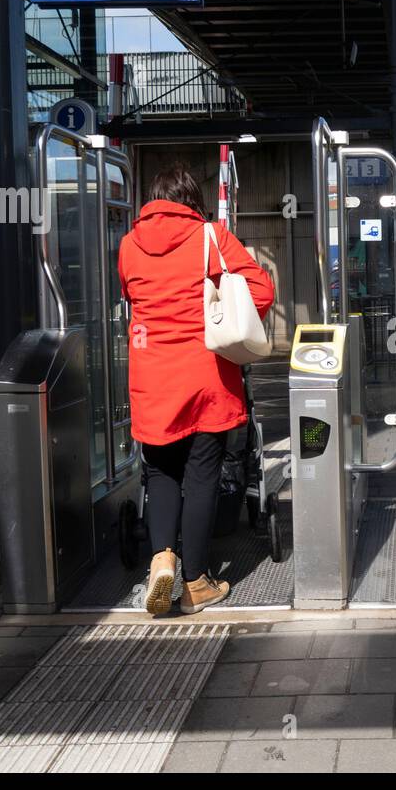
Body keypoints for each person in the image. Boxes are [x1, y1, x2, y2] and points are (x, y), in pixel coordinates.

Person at [118, 164, 274, 615]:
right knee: (202, 475)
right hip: (203, 376)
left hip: (151, 376)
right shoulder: (210, 237)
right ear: (190, 198)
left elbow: (131, 292)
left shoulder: (129, 245)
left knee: (161, 471)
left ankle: (163, 556)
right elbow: (261, 291)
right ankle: (196, 582)